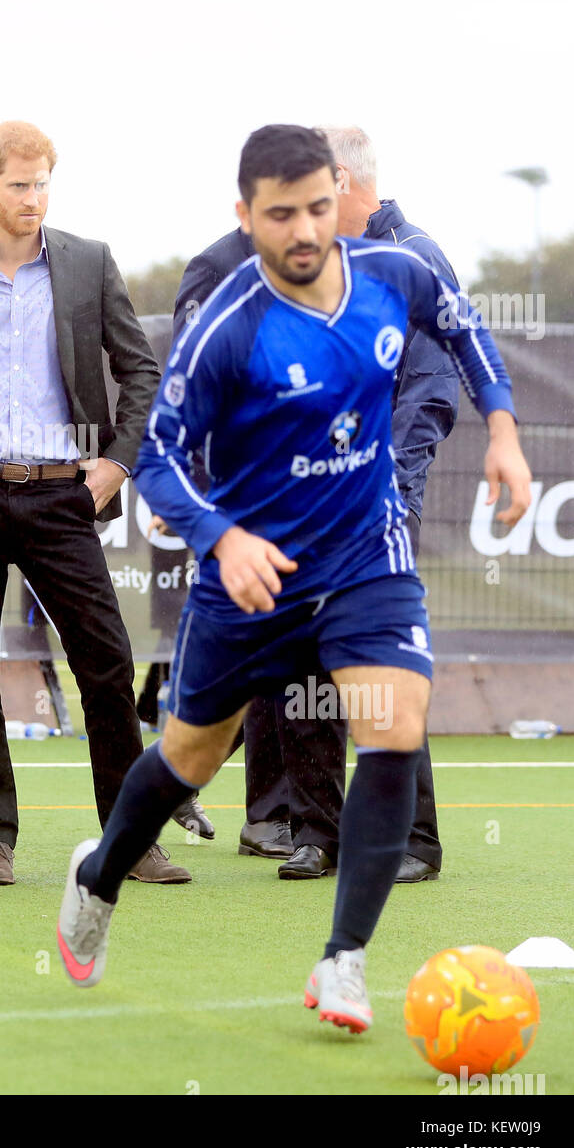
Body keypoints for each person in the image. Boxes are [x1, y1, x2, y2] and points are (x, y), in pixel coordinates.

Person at [58, 125, 531, 1032]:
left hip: (365, 556)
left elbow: (465, 332)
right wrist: (217, 535)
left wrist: (503, 429)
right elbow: (155, 457)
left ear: (337, 192)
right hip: (252, 576)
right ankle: (99, 874)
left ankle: (342, 962)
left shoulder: (394, 270)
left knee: (392, 727)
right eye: (281, 214)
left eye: (319, 205)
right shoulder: (228, 327)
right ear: (246, 216)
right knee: (189, 757)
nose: (306, 229)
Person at [0, 119, 189, 886]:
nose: (33, 199)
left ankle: (131, 838)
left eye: (43, 182)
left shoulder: (88, 263)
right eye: (19, 184)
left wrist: (117, 462)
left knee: (107, 662)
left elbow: (140, 370)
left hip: (61, 497)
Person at [168, 125, 457, 882]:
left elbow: (428, 392)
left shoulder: (410, 261)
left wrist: (390, 486)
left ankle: (412, 841)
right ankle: (317, 832)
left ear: (343, 186)